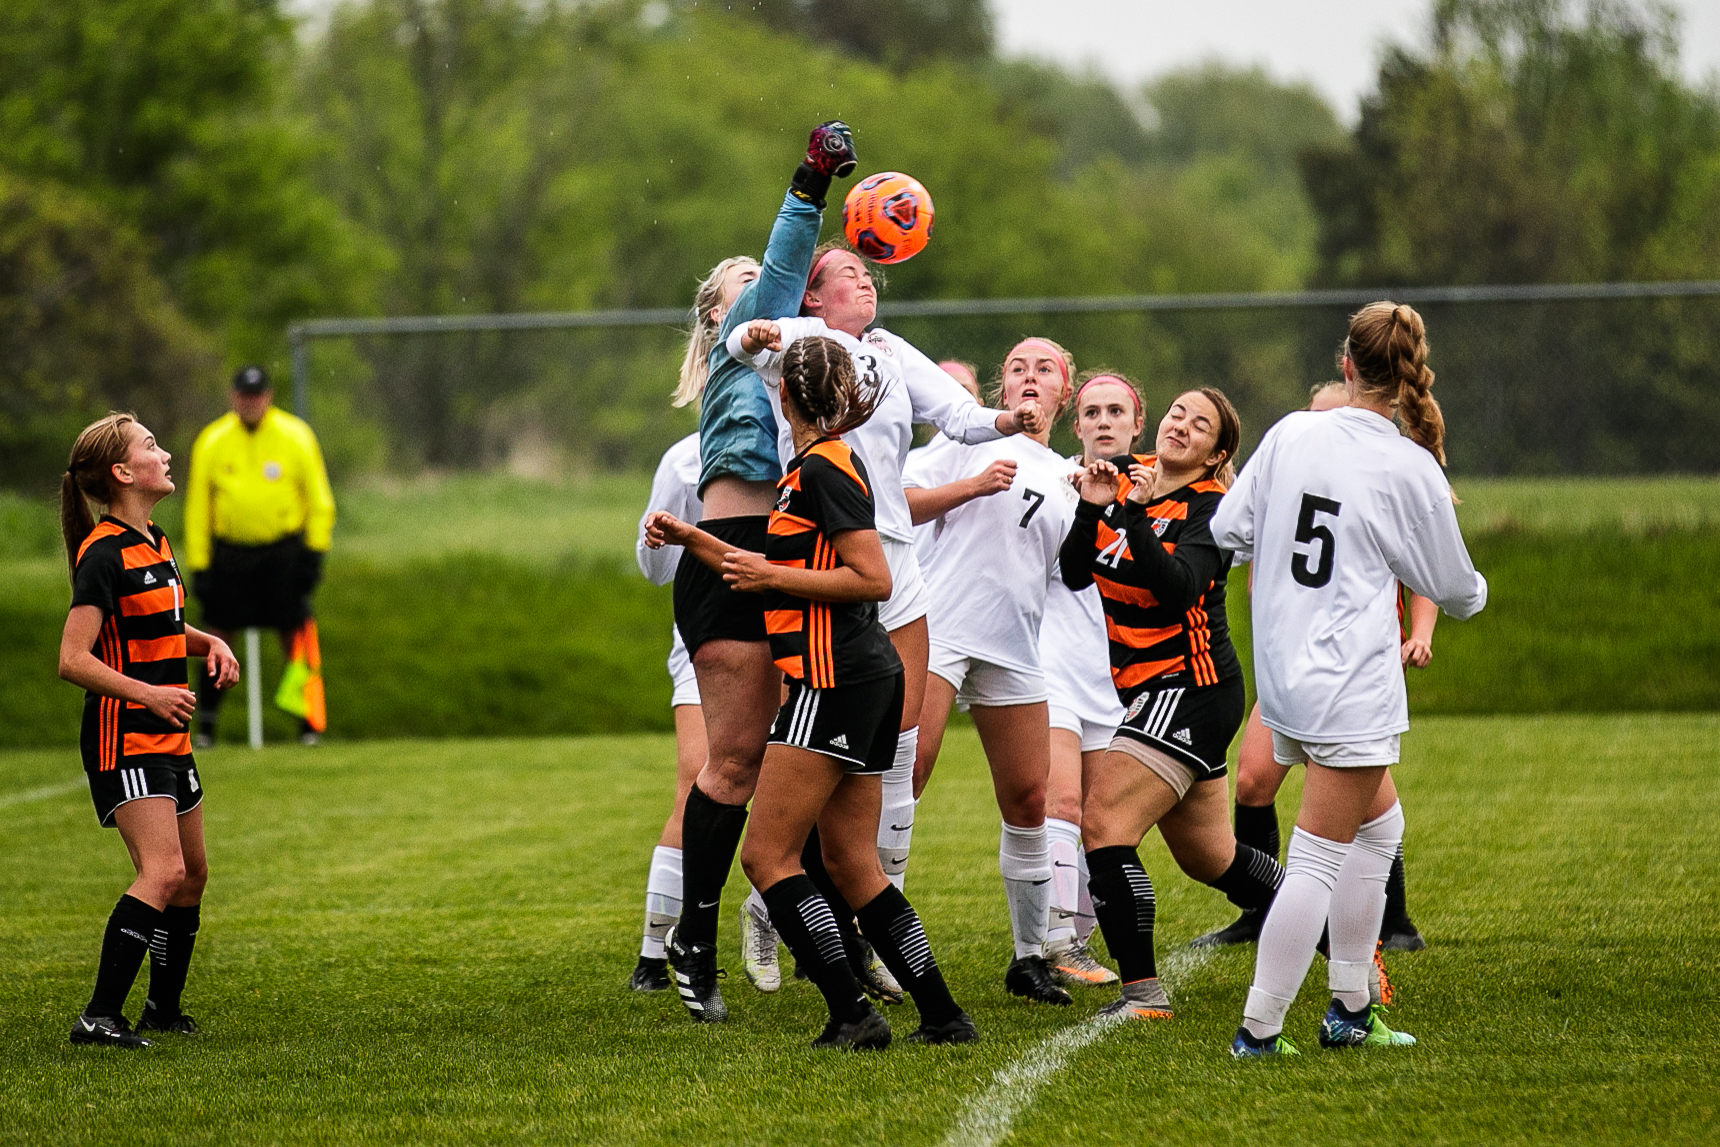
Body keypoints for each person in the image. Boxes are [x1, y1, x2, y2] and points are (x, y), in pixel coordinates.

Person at [647, 336, 977, 1048]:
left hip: (836, 680)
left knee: (767, 855)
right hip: (863, 678)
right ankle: (944, 1015)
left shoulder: (823, 469)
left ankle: (851, 1013)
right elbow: (778, 560)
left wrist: (773, 581)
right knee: (851, 862)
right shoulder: (817, 465)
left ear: (784, 398)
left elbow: (871, 578)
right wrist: (690, 537)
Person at [1214, 302, 1486, 1057]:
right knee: (1317, 859)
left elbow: (1229, 530)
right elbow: (1458, 590)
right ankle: (1260, 1029)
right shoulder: (1410, 462)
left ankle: (1350, 1008)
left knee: (1380, 826)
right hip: (1350, 685)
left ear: (1345, 366)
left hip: (1287, 680)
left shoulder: (1292, 432)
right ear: (1408, 376)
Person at [730, 273, 1046, 908]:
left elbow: (958, 414)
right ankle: (768, 903)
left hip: (896, 557)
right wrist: (753, 331)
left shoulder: (892, 351)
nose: (866, 282)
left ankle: (877, 919)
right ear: (812, 297)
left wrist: (1009, 419)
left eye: (869, 274)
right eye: (848, 274)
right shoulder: (801, 338)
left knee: (897, 746)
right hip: (827, 551)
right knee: (813, 734)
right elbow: (738, 345)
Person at [663, 122, 859, 1023]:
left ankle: (835, 940)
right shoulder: (747, 338)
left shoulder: (809, 360)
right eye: (743, 289)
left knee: (806, 758)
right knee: (736, 759)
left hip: (795, 559)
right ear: (720, 316)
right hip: (736, 563)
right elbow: (785, 270)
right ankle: (692, 935)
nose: (769, 294)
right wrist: (810, 179)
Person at [1058, 386, 1285, 1021]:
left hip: (1191, 688)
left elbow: (1180, 588)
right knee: (1210, 856)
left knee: (1103, 822)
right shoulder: (1130, 484)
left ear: (1217, 453)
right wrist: (1092, 507)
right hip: (1155, 691)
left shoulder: (1214, 505)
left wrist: (1130, 514)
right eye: (1178, 413)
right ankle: (1343, 938)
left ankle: (1142, 995)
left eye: (1202, 424)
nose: (1182, 426)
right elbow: (1076, 573)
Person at [1195, 381, 1436, 951]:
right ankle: (1262, 910)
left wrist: (1420, 634)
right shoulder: (1287, 472)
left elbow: (1427, 571)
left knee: (1372, 803)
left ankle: (1392, 922)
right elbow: (1235, 534)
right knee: (1253, 778)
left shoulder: (1382, 483)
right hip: (1290, 667)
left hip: (1352, 667)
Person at [898, 338, 1078, 1005]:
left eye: (1045, 369)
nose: (1030, 376)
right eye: (1017, 367)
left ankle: (1029, 959)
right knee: (907, 771)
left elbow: (1067, 576)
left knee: (1030, 797)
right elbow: (899, 499)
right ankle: (877, 937)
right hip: (940, 626)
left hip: (1013, 643)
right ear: (1002, 388)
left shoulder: (1068, 475)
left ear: (1065, 389)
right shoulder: (970, 438)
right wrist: (969, 485)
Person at [57, 412, 241, 1047]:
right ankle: (98, 1016)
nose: (165, 453)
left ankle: (162, 1009)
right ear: (123, 472)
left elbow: (155, 630)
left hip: (166, 731)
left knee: (191, 873)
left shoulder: (154, 543)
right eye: (151, 447)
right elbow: (73, 658)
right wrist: (149, 694)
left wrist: (208, 641)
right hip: (126, 733)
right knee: (160, 872)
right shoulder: (103, 555)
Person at [1037, 373, 1145, 987]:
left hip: (1121, 677)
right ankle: (1056, 943)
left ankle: (1071, 941)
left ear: (1137, 424)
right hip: (1052, 664)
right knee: (1063, 803)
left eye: (1116, 412)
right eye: (1092, 412)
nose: (1104, 421)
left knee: (1102, 820)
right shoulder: (1052, 481)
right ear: (1075, 427)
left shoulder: (1156, 493)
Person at [183, 365, 335, 747]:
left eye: (257, 395)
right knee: (216, 635)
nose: (250, 402)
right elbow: (198, 508)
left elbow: (319, 500)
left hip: (282, 552)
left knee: (296, 635)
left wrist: (314, 553)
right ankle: (206, 725)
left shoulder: (295, 436)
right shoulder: (213, 440)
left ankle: (308, 722)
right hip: (231, 554)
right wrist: (200, 564)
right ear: (234, 397)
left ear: (268, 396)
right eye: (243, 395)